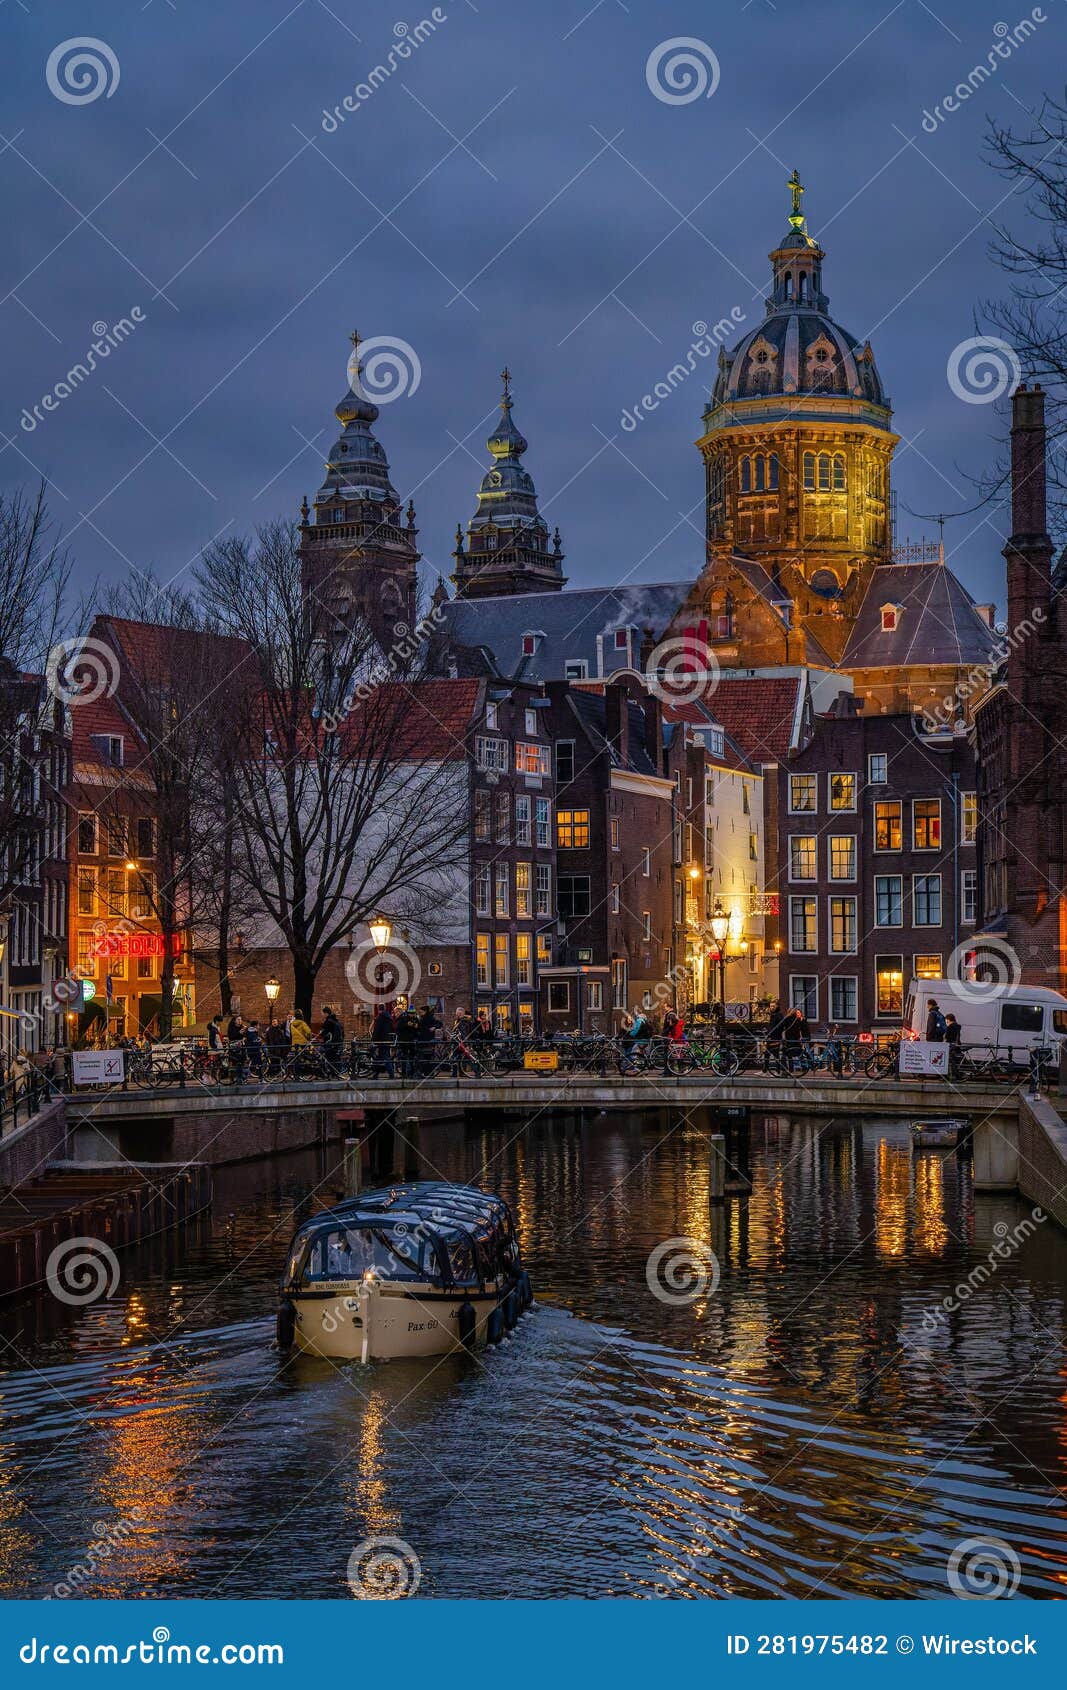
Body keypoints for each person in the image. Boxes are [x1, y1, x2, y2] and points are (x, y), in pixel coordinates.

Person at [371, 1004, 395, 1078]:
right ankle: (376, 1074)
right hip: (387, 1040)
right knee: (380, 1057)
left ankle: (391, 1073)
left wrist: (374, 1040)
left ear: (378, 1009)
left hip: (381, 1040)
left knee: (384, 1057)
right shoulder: (389, 1017)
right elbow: (392, 1029)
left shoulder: (380, 1018)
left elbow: (377, 1030)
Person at [416, 1004, 440, 1075]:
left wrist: (434, 1027)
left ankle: (429, 1073)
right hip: (422, 1040)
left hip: (427, 1040)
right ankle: (426, 1072)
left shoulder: (430, 1018)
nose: (420, 1013)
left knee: (427, 1057)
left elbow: (439, 1023)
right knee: (424, 1057)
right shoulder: (422, 1018)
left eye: (421, 1012)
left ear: (425, 1011)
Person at [320, 1005, 344, 1076]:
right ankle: (336, 1072)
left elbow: (324, 1031)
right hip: (338, 1042)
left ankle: (332, 1072)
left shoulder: (329, 1021)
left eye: (323, 1013)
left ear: (326, 1013)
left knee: (329, 1056)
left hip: (332, 1042)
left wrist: (320, 1035)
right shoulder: (335, 1020)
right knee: (335, 1057)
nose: (323, 1015)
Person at [944, 1011, 962, 1076]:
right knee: (956, 1060)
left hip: (951, 1046)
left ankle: (953, 1074)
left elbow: (947, 1037)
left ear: (948, 1020)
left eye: (946, 1021)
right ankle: (958, 1073)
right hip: (957, 1045)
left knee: (950, 1060)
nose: (946, 1022)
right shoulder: (958, 1026)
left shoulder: (950, 1027)